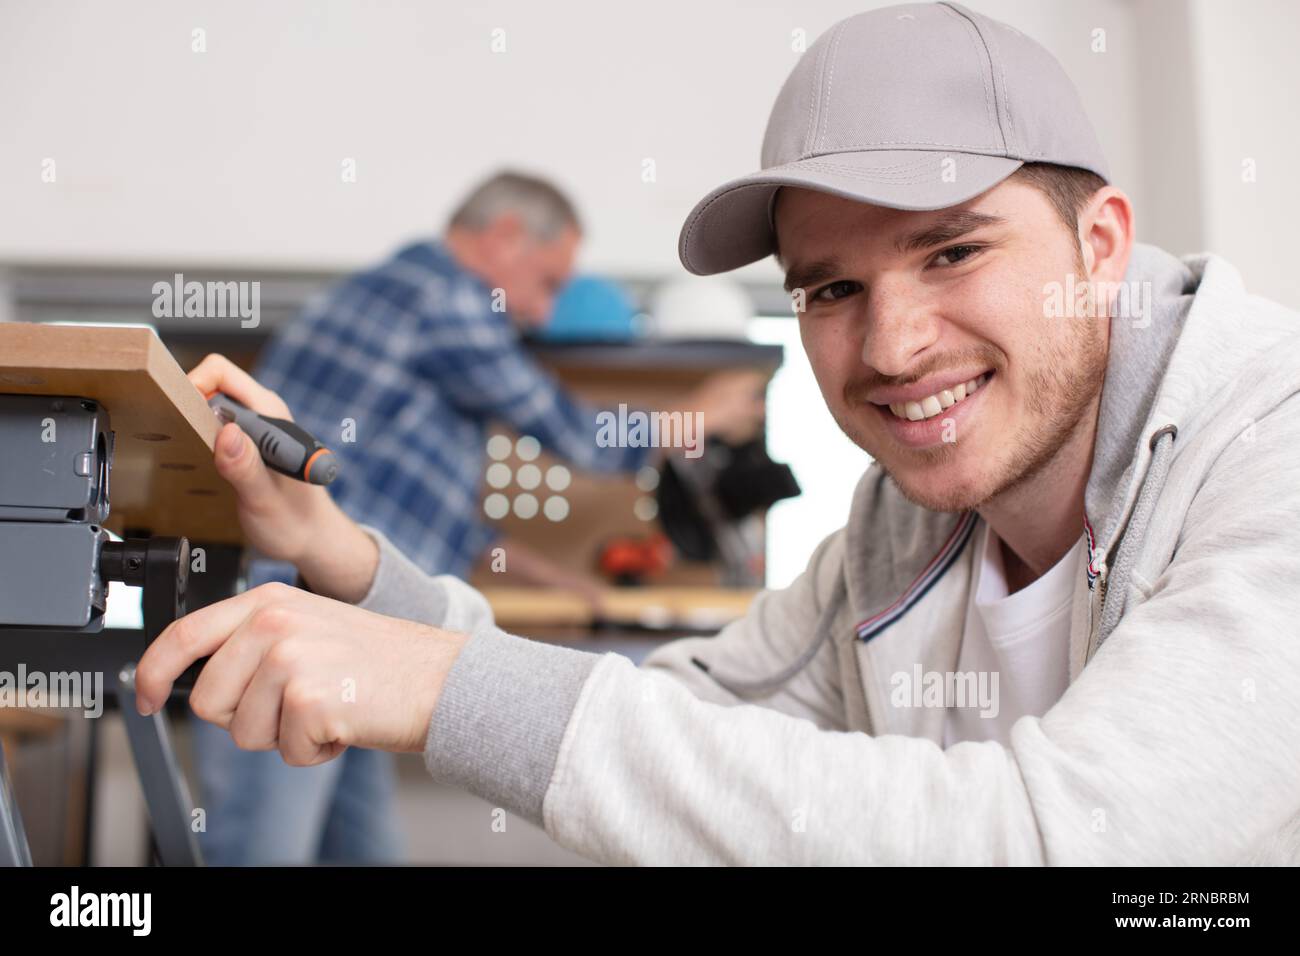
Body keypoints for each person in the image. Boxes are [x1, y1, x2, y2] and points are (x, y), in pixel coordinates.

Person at [141, 2, 1300, 865]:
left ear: (1100, 245)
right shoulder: (908, 522)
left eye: (953, 250)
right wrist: (356, 564)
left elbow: (1061, 842)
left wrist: (447, 682)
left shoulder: (1269, 445)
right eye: (831, 289)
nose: (891, 348)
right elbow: (682, 716)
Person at [188, 170, 766, 864]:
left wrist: (559, 580)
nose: (545, 314)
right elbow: (570, 430)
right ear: (505, 237)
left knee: (362, 852)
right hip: (289, 618)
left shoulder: (396, 305)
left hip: (345, 623)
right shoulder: (439, 295)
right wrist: (693, 419)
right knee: (260, 854)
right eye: (549, 283)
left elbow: (427, 517)